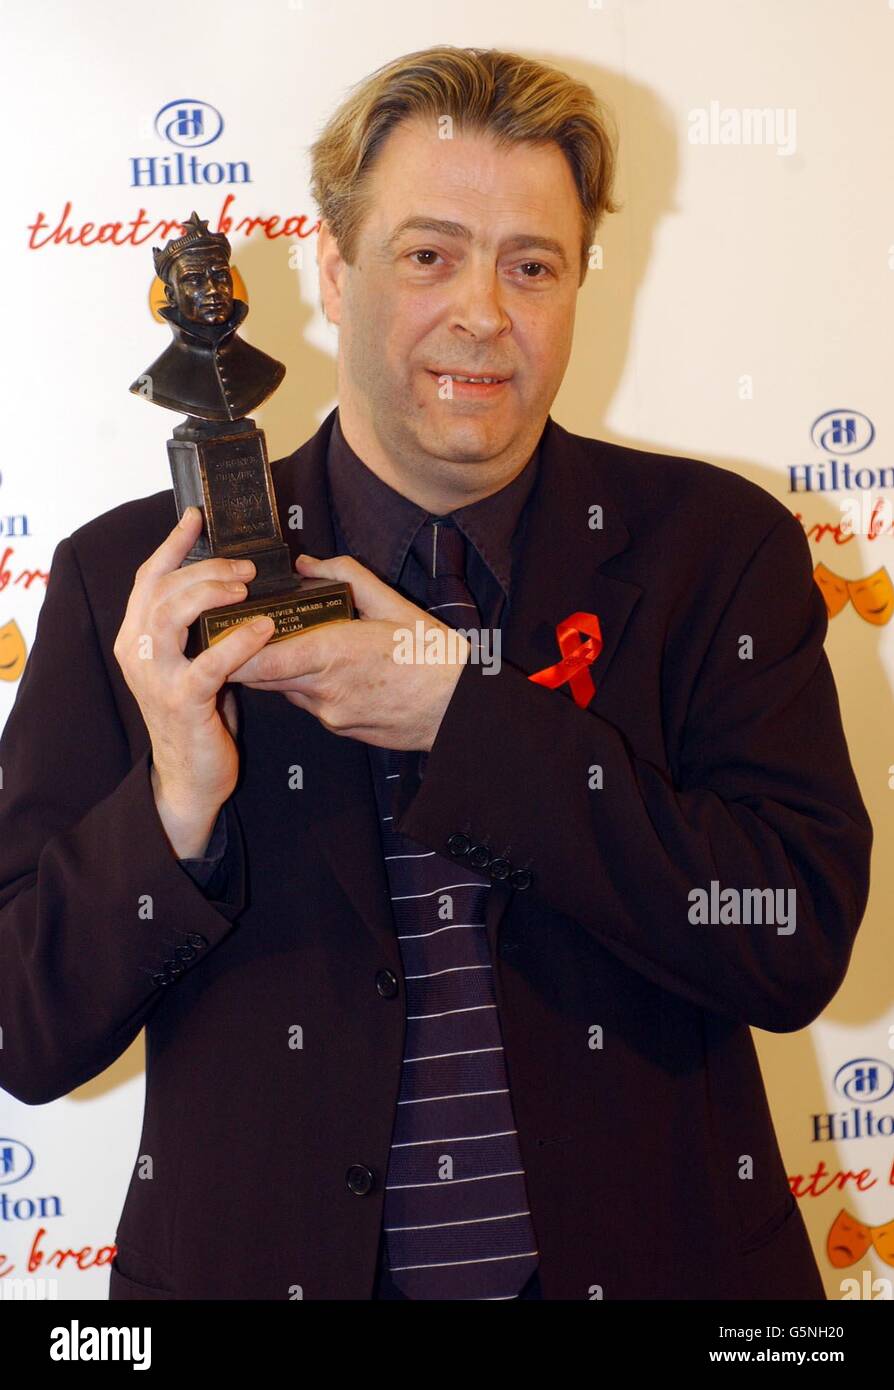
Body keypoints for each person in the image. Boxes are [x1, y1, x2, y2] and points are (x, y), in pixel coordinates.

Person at [0, 45, 872, 1301]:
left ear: (581, 285)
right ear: (333, 269)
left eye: (533, 264)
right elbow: (28, 1030)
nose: (485, 311)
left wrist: (463, 722)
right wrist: (175, 805)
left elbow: (790, 939)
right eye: (429, 255)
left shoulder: (714, 554)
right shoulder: (129, 582)